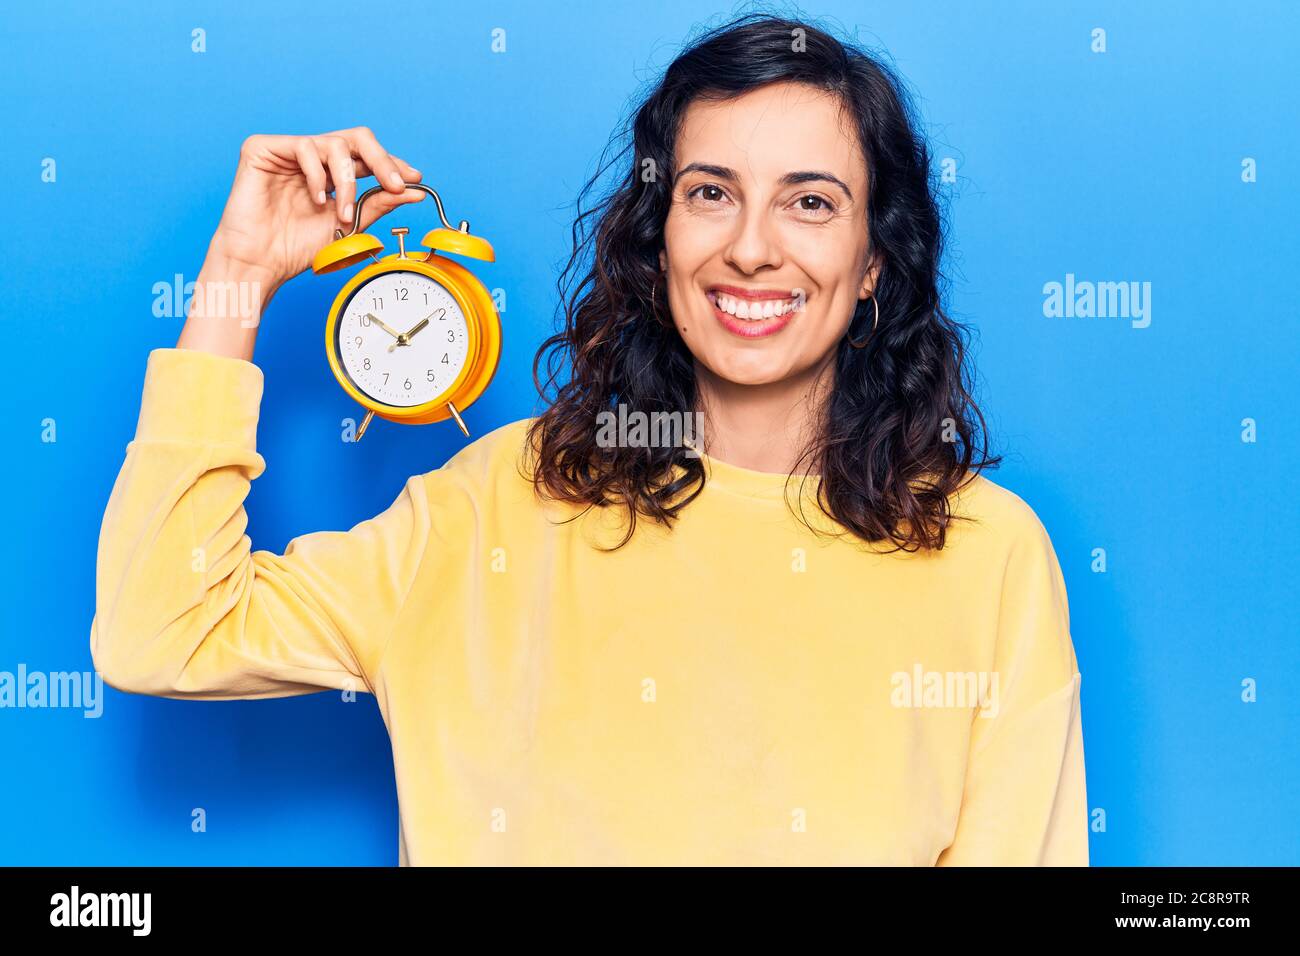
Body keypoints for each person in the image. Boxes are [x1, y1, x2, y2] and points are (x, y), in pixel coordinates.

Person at [91, 14, 1088, 865]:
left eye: (811, 202)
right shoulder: (496, 499)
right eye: (709, 192)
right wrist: (238, 271)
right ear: (658, 241)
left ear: (873, 261)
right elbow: (161, 629)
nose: (750, 245)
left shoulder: (985, 552)